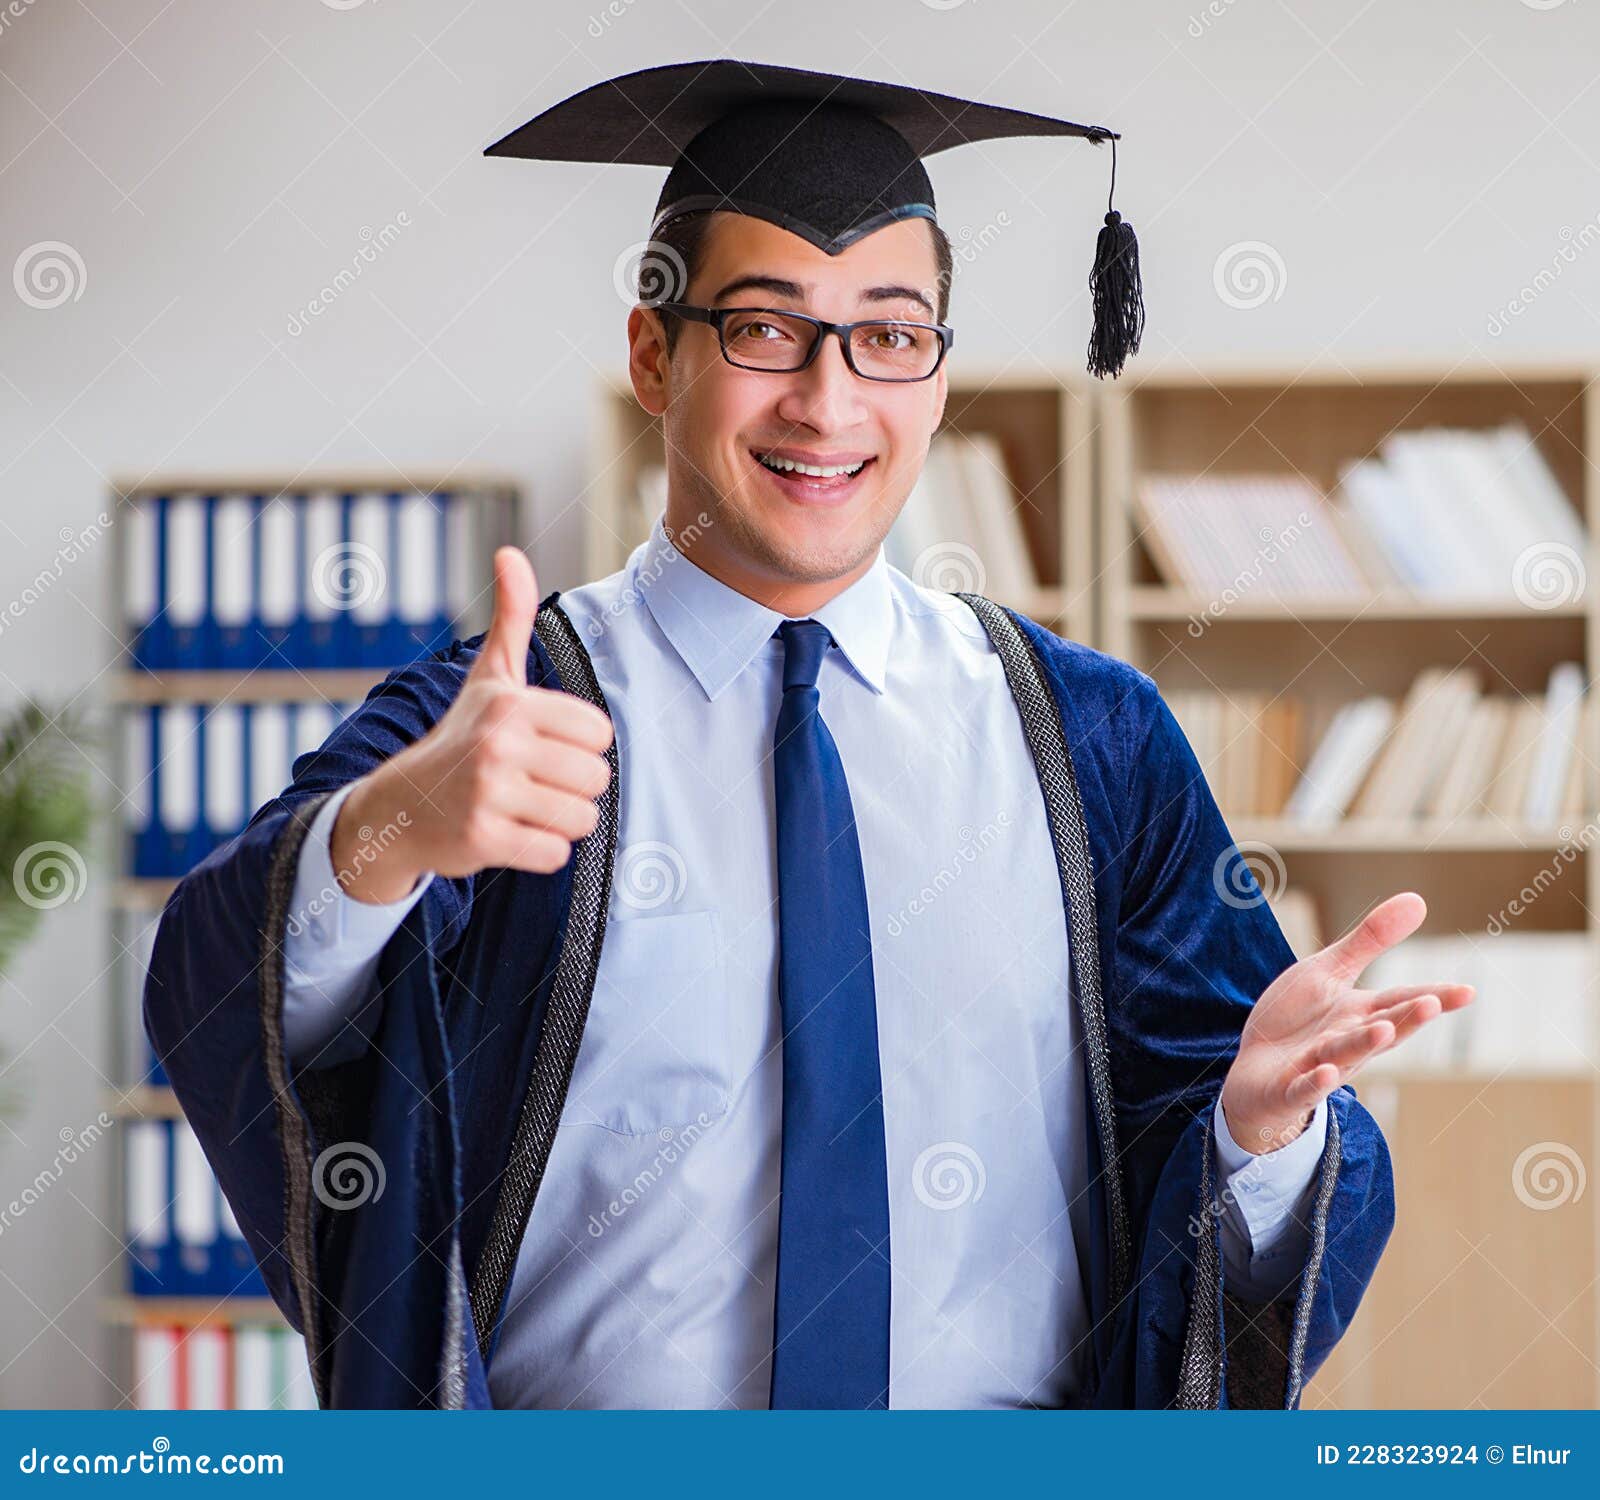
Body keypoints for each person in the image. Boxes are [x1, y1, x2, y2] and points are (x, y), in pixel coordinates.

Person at [144, 60, 1472, 1410]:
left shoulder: (1092, 744)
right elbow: (220, 984)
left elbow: (1215, 1187)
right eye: (766, 330)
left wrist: (1257, 1133)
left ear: (940, 376)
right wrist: (390, 833)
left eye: (890, 336)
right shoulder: (500, 723)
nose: (828, 404)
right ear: (654, 355)